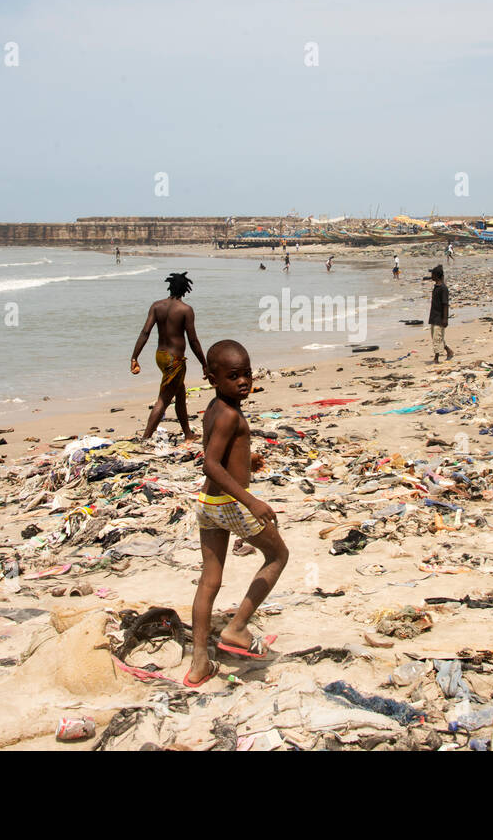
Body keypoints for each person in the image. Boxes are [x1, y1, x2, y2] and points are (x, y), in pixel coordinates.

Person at [184, 339, 287, 686]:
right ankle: (237, 628)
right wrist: (251, 500)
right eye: (234, 376)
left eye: (247, 374)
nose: (244, 381)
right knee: (277, 555)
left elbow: (221, 455)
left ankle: (200, 662)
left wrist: (247, 462)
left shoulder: (215, 408)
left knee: (209, 579)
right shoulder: (230, 414)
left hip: (207, 505)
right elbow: (211, 464)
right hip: (230, 504)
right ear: (212, 378)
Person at [131, 272, 207, 441]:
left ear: (170, 287)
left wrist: (134, 357)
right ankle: (146, 437)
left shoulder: (157, 306)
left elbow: (145, 332)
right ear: (185, 290)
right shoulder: (186, 310)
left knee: (180, 392)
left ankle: (187, 433)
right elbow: (193, 340)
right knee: (163, 399)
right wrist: (204, 362)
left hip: (161, 356)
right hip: (175, 360)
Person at [427, 265, 454, 363]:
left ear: (436, 276)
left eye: (432, 274)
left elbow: (445, 304)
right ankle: (449, 351)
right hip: (434, 316)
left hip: (439, 317)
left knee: (437, 338)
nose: (431, 276)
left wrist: (445, 319)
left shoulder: (443, 288)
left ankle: (436, 358)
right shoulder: (436, 287)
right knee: (437, 337)